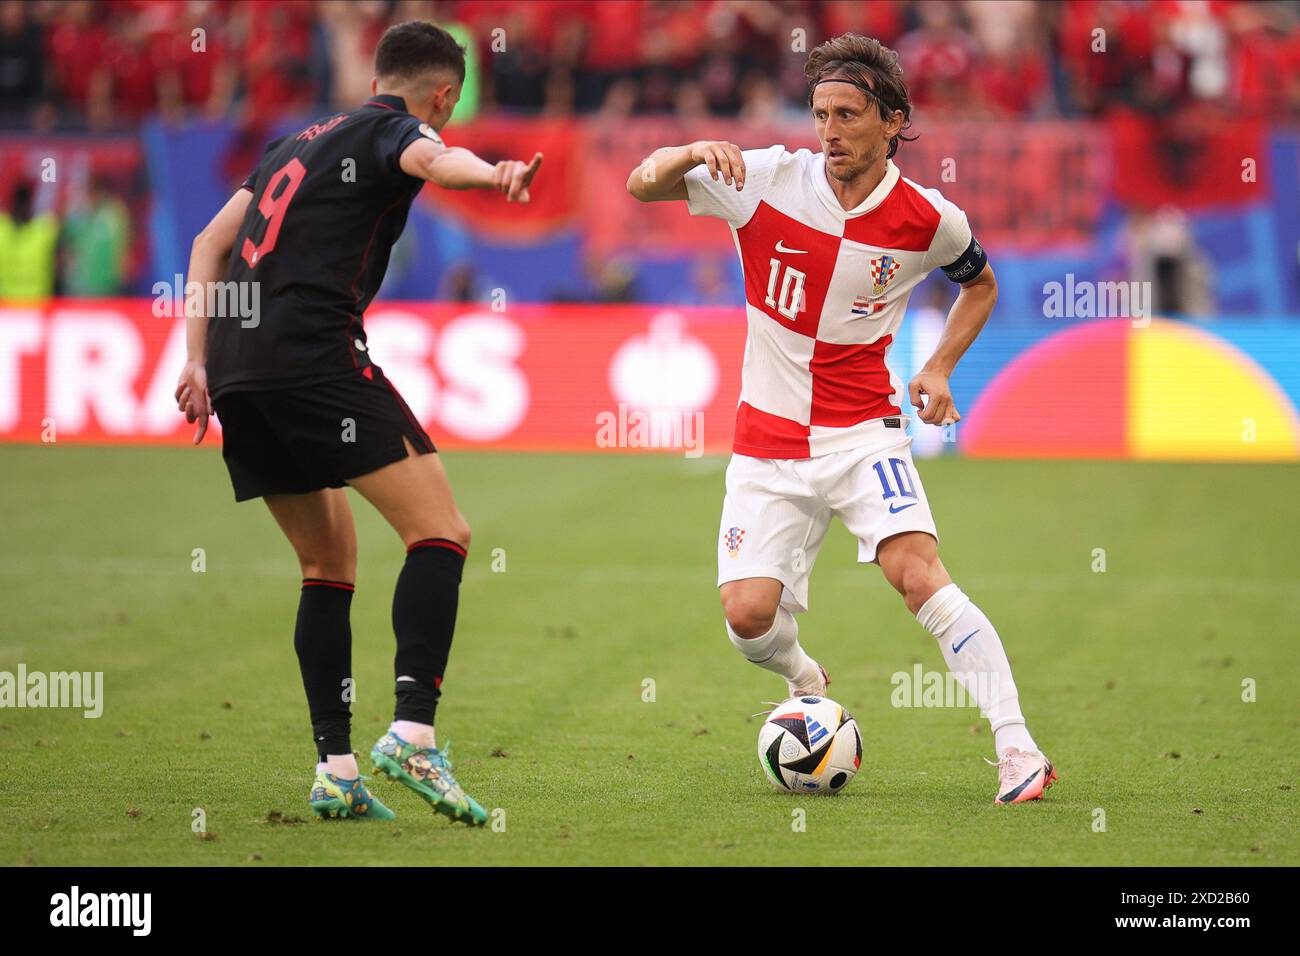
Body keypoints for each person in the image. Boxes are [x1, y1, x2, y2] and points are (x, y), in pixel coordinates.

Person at [627, 32, 1055, 805]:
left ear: (893, 121)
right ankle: (806, 679)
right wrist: (689, 149)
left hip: (862, 432)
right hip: (766, 440)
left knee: (917, 573)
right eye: (821, 112)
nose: (829, 131)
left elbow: (981, 285)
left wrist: (938, 366)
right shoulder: (762, 178)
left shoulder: (928, 219)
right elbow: (640, 183)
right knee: (747, 619)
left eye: (848, 115)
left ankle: (1017, 748)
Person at [174, 20, 542, 824]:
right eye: (446, 106)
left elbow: (208, 241)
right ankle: (412, 733)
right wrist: (494, 176)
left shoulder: (294, 139)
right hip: (313, 355)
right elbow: (435, 161)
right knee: (440, 532)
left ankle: (336, 768)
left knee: (327, 562)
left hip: (237, 367)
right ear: (443, 95)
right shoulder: (398, 129)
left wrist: (196, 361)